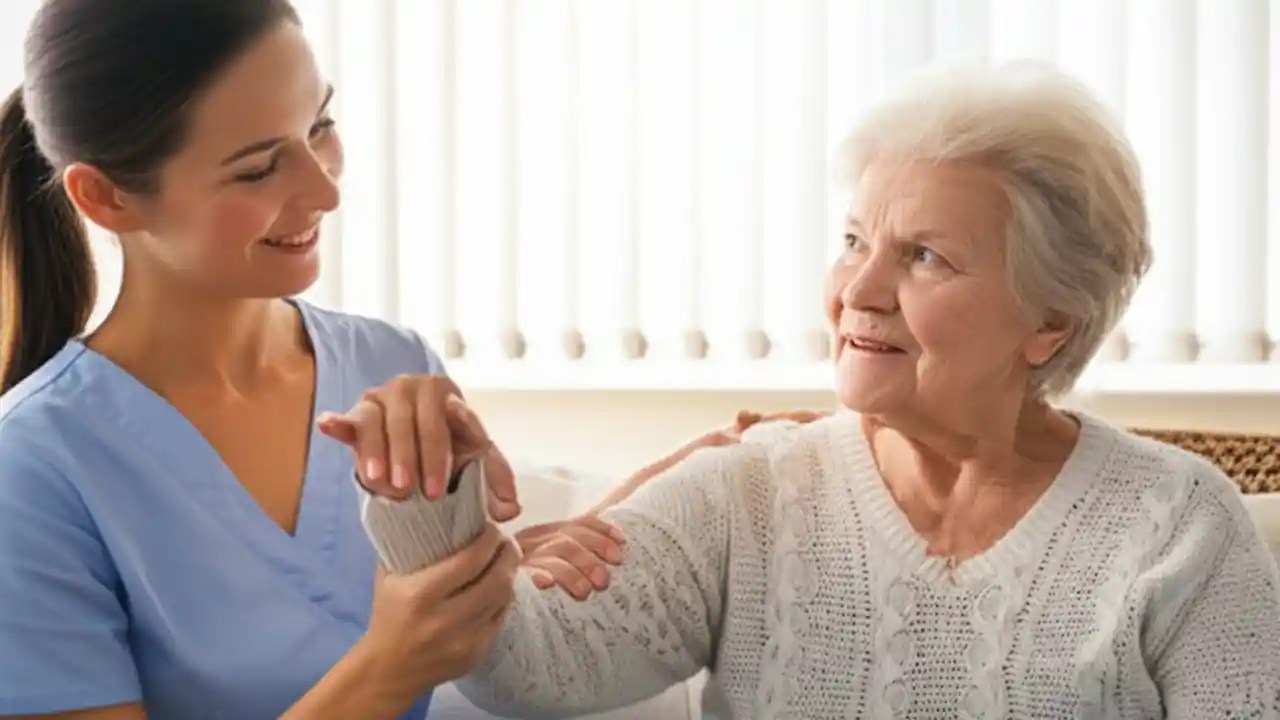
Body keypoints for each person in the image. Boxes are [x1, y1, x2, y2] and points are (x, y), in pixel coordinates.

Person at [341, 62, 1280, 718]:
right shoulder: (747, 492)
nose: (859, 291)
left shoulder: (1176, 520)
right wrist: (428, 495)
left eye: (925, 256)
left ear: (1050, 324)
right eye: (854, 241)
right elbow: (530, 670)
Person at [0, 1, 788, 717]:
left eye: (320, 126)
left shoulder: (391, 364)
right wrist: (392, 666)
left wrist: (689, 481)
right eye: (259, 167)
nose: (325, 190)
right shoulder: (33, 470)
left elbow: (465, 626)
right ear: (106, 197)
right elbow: (397, 644)